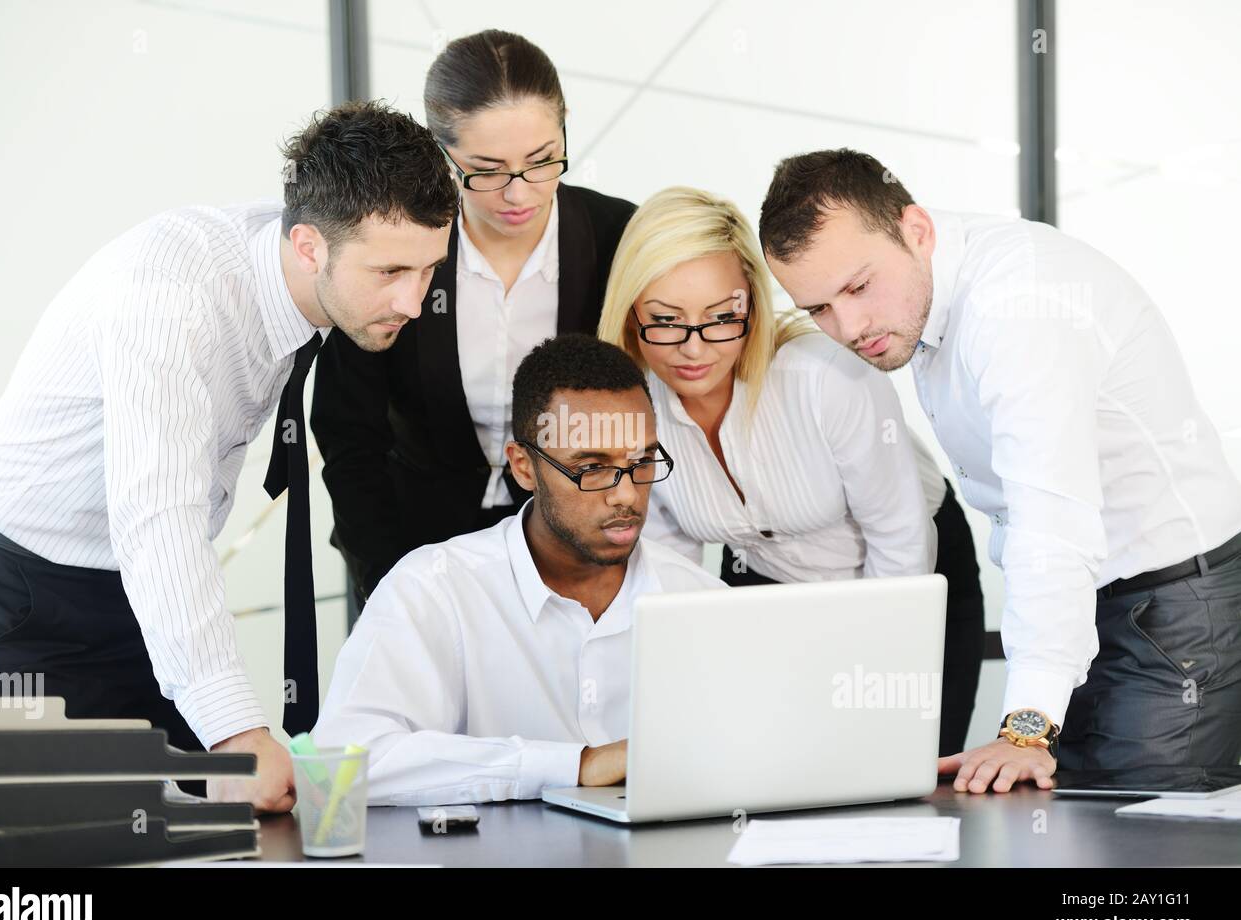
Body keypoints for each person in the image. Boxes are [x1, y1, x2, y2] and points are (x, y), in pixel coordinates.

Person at [0, 102, 457, 812]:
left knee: (217, 819)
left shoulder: (304, 260)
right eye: (391, 270)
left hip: (137, 584)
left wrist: (233, 739)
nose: (412, 298)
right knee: (69, 828)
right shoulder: (173, 296)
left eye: (428, 268)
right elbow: (159, 516)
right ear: (309, 246)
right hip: (24, 592)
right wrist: (237, 733)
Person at [760, 147, 1241, 792]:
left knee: (1143, 849)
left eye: (857, 287)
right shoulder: (926, 294)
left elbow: (1051, 519)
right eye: (818, 308)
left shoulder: (1018, 307)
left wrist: (1027, 726)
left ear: (917, 231)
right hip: (1091, 602)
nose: (849, 326)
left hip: (1173, 606)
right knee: (1072, 834)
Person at [598, 186, 986, 755]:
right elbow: (669, 575)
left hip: (913, 575)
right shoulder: (636, 411)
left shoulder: (829, 377)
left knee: (896, 769)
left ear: (751, 307)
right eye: (666, 321)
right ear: (630, 313)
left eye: (721, 318)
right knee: (768, 769)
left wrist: (869, 685)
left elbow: (900, 540)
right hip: (770, 588)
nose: (694, 348)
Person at [312, 334, 724, 804]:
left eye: (642, 461)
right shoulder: (433, 589)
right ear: (524, 467)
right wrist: (577, 765)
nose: (627, 495)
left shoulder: (700, 599)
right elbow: (342, 763)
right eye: (591, 467)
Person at [312, 30, 636, 612]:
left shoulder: (618, 239)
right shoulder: (391, 249)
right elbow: (348, 433)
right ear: (441, 155)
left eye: (542, 161)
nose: (520, 193)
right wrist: (387, 582)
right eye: (486, 170)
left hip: (574, 550)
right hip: (413, 544)